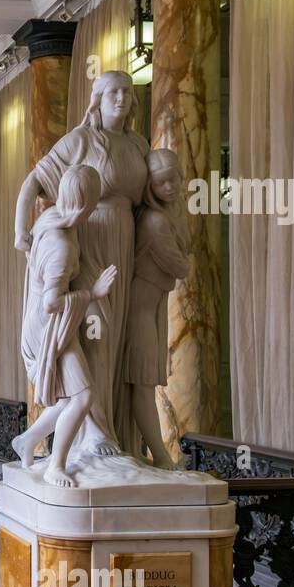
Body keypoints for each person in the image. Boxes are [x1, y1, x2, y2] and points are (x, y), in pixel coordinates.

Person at [14, 70, 149, 457]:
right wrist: (20, 232)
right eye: (112, 92)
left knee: (116, 336)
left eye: (126, 92)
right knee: (95, 333)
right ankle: (95, 432)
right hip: (87, 240)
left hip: (123, 245)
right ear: (98, 99)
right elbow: (32, 184)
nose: (121, 98)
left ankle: (113, 430)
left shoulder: (138, 144)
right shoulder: (81, 140)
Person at [12, 165, 118, 488]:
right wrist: (92, 293)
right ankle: (56, 464)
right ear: (86, 204)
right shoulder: (62, 247)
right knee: (83, 396)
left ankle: (28, 441)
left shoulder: (50, 217)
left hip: (40, 325)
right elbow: (51, 303)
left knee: (64, 398)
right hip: (48, 328)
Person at [126, 149, 192, 468]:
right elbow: (180, 265)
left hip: (152, 308)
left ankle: (153, 453)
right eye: (161, 182)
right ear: (149, 186)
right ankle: (161, 456)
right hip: (140, 313)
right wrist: (184, 260)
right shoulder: (154, 221)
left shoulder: (165, 216)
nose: (170, 187)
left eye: (174, 179)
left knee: (145, 384)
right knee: (143, 384)